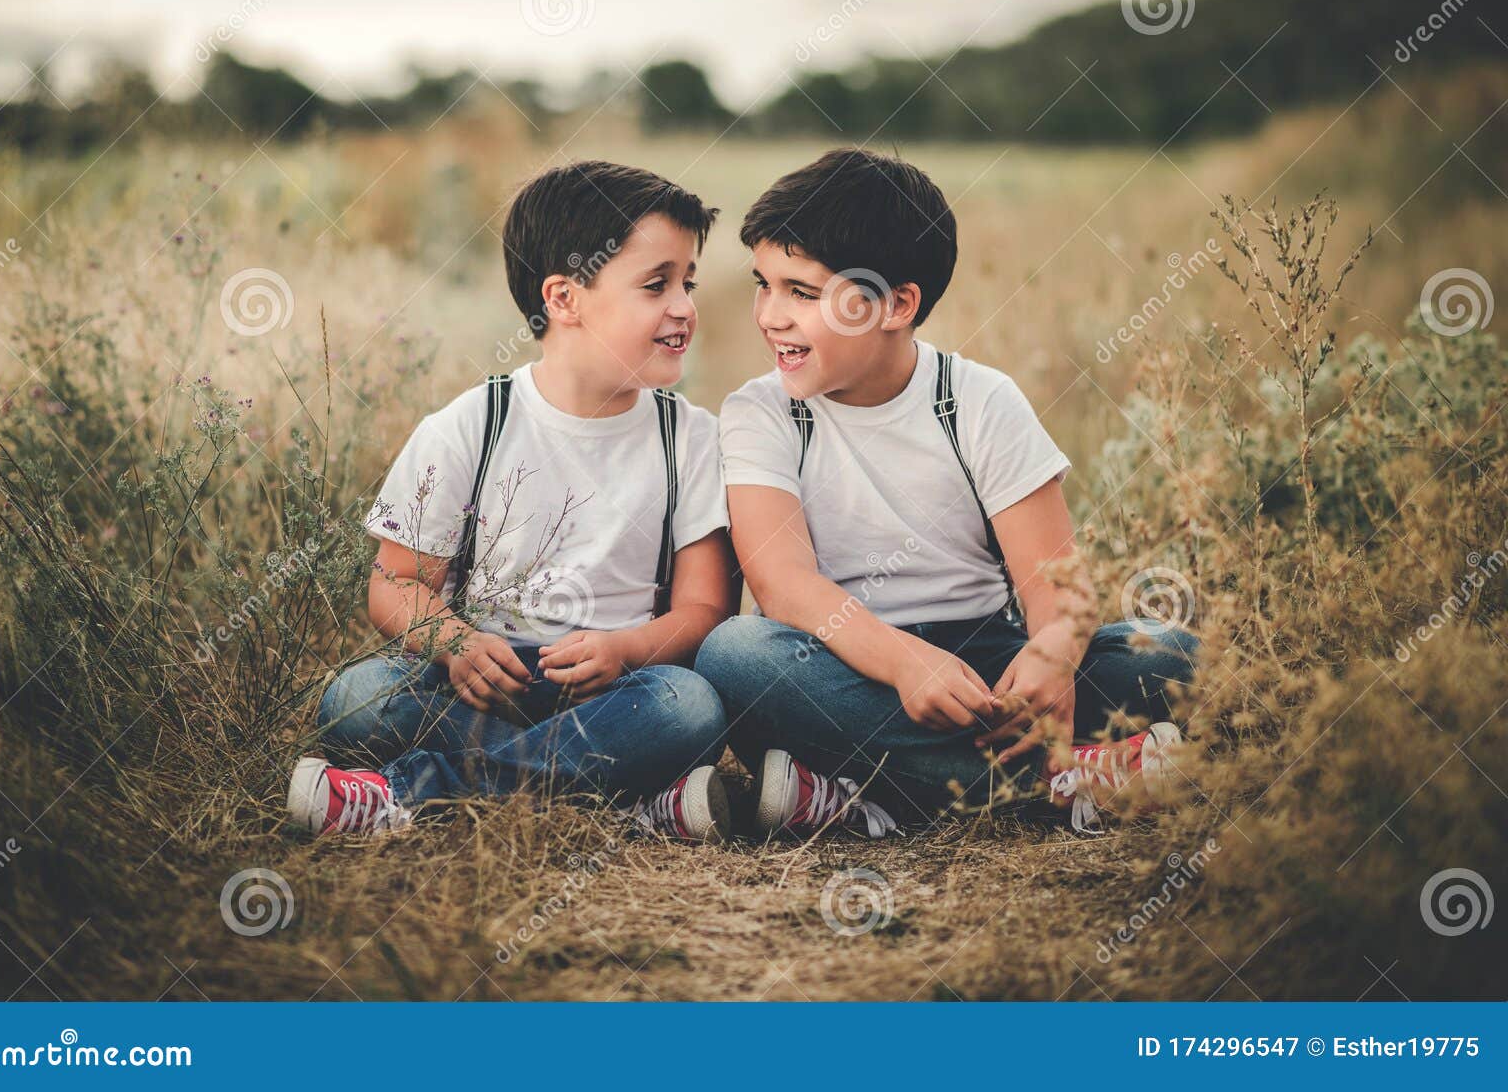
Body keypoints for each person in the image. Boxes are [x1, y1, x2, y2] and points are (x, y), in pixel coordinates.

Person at [693, 148, 1200, 839]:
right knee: (737, 655)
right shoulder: (761, 413)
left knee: (1172, 653)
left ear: (898, 303)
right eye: (765, 284)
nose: (770, 315)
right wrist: (904, 663)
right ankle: (1057, 784)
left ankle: (867, 793)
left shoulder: (978, 400)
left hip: (987, 667)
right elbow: (782, 585)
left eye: (802, 293)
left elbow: (1060, 588)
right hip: (843, 668)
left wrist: (1052, 652)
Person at [286, 161, 737, 842]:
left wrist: (624, 649)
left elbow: (705, 609)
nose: (683, 306)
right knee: (359, 699)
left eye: (687, 283)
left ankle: (415, 791)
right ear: (563, 298)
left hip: (617, 688)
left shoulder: (691, 438)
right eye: (656, 284)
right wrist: (455, 642)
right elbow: (395, 583)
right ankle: (618, 798)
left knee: (690, 707)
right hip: (481, 683)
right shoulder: (471, 426)